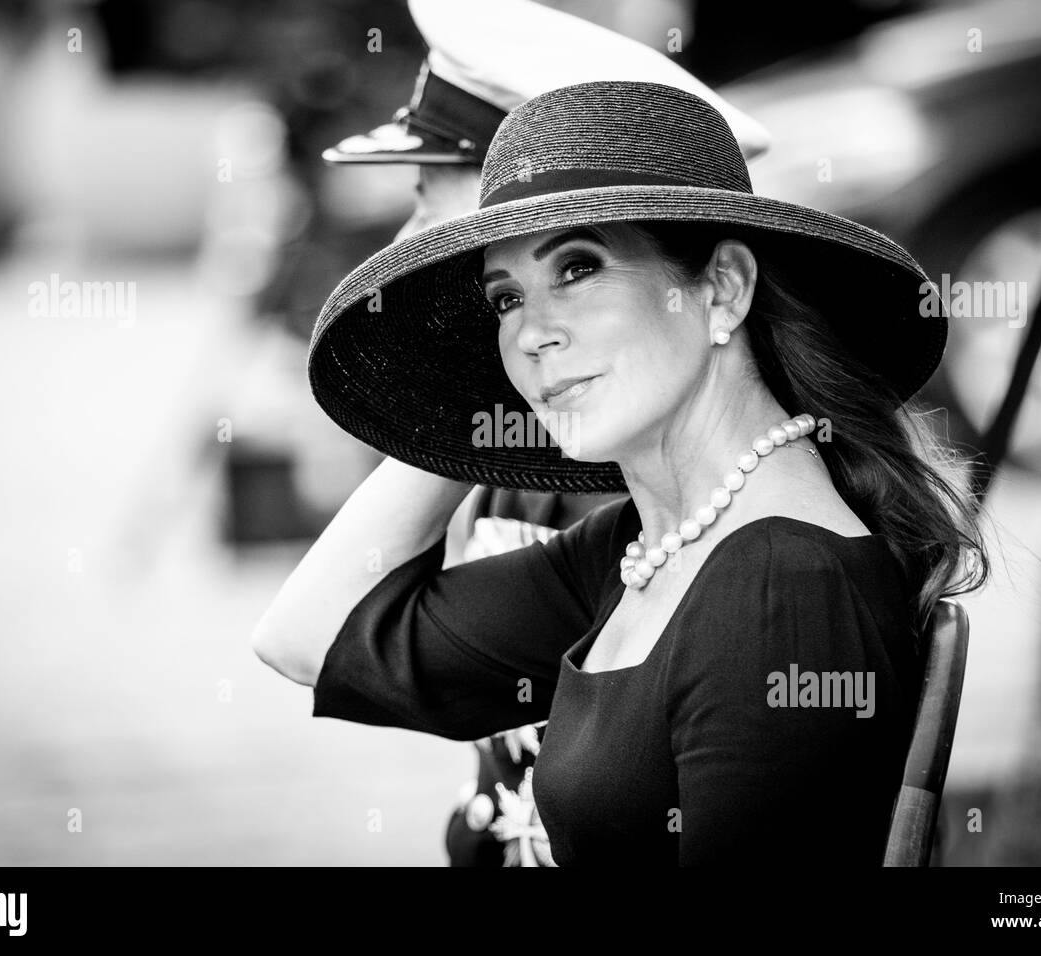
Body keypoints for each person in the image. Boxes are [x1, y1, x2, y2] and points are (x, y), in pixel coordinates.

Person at [255, 79, 990, 866]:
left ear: (723, 287)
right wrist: (451, 422)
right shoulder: (646, 548)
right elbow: (310, 637)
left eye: (577, 268)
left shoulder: (783, 590)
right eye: (505, 297)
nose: (532, 332)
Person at [318, 0, 770, 866]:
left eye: (431, 203)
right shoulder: (556, 433)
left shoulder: (625, 468)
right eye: (505, 290)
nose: (409, 242)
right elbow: (312, 640)